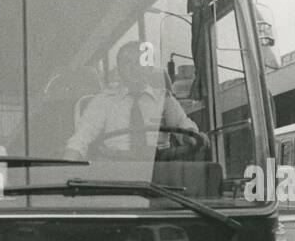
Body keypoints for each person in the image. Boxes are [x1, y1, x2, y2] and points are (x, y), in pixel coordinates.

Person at [64, 41, 208, 161]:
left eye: (140, 62)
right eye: (127, 63)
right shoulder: (103, 101)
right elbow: (81, 138)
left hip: (157, 173)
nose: (134, 68)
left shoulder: (164, 99)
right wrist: (65, 168)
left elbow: (182, 125)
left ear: (149, 68)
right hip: (115, 174)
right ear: (119, 70)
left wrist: (192, 135)